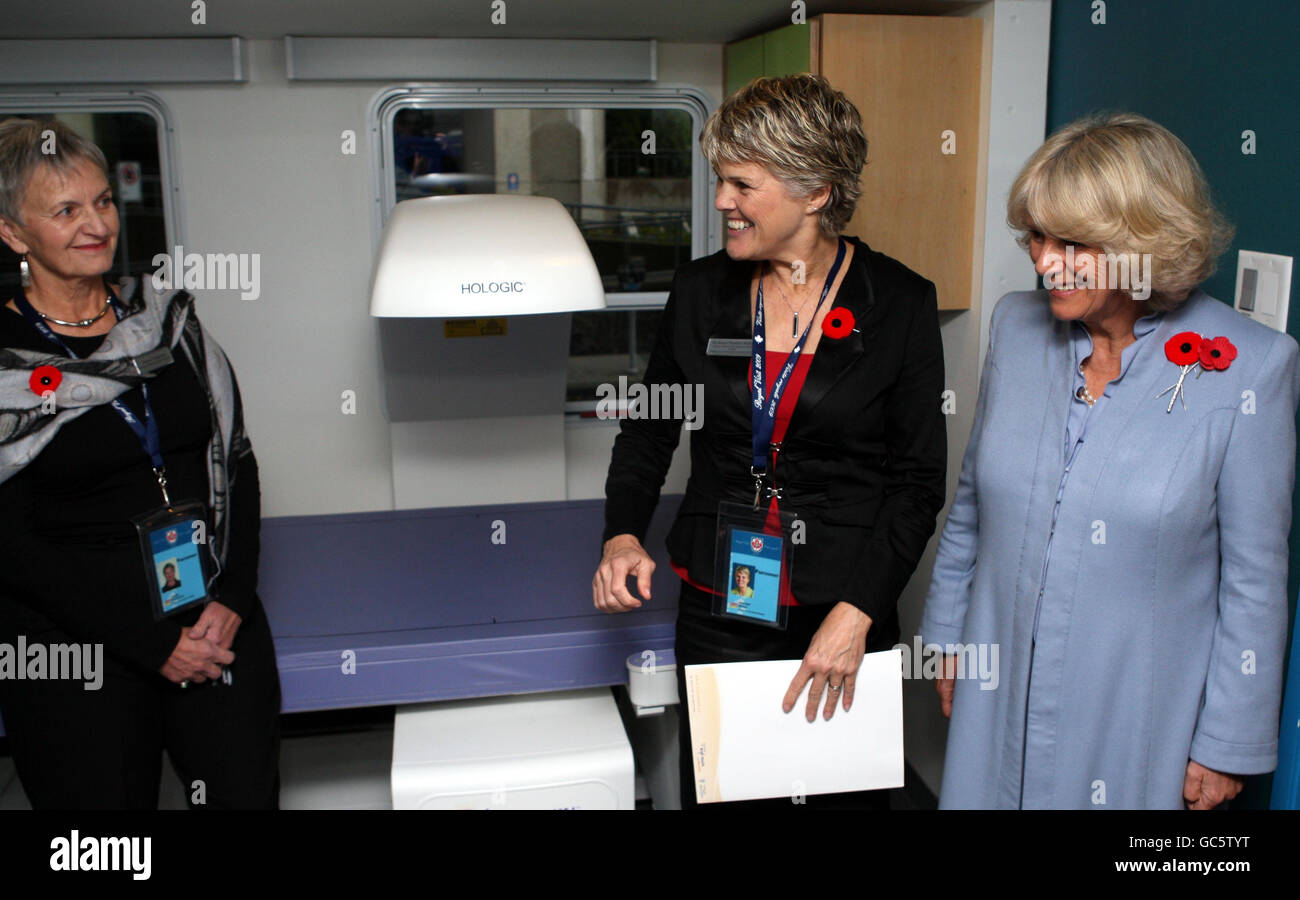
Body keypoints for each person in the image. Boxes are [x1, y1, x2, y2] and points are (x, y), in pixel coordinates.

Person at [919, 112, 1299, 809]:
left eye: (1073, 243)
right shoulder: (1016, 326)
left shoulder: (1255, 367)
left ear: (1144, 243)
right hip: (995, 686)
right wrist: (949, 640)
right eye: (1036, 235)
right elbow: (971, 506)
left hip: (1138, 714)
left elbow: (1256, 578)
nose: (1042, 261)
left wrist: (1226, 742)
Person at [592, 75, 946, 809]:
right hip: (722, 597)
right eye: (720, 180)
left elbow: (917, 485)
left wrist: (860, 614)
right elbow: (650, 429)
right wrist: (622, 533)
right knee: (726, 790)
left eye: (742, 184)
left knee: (841, 794)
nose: (722, 200)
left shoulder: (900, 304)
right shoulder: (698, 292)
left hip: (844, 603)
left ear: (815, 192)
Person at [0, 118, 281, 808]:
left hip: (207, 613)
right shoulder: (7, 362)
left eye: (102, 201)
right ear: (13, 234)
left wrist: (233, 598)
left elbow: (236, 463)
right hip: (74, 643)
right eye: (65, 210)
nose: (96, 224)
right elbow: (10, 544)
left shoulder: (168, 325)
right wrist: (148, 640)